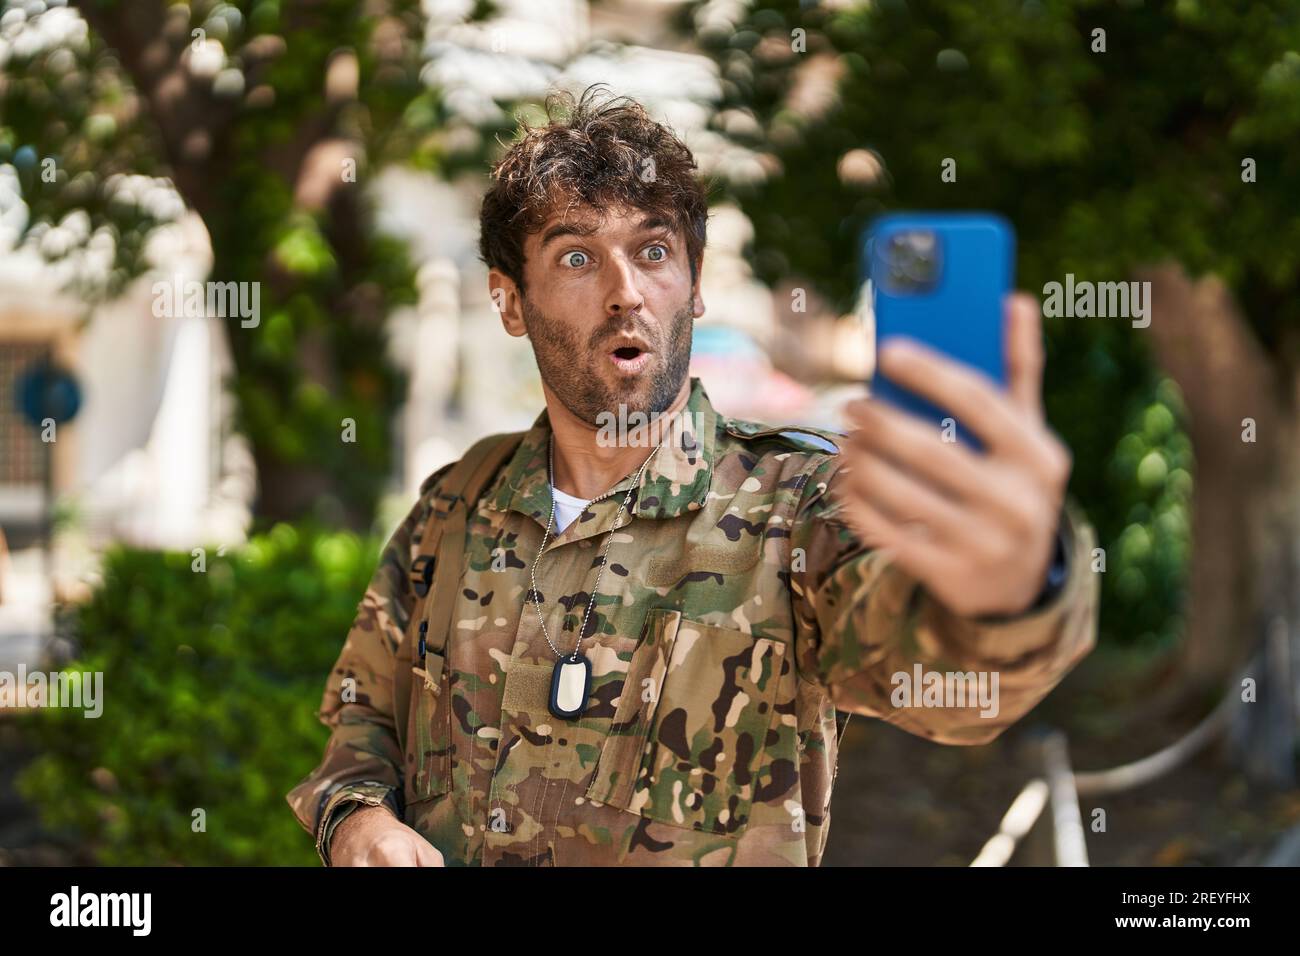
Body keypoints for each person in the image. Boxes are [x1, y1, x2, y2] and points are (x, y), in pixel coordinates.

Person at [286, 85, 1098, 866]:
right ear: (509, 301)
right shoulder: (455, 502)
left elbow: (949, 685)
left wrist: (1007, 591)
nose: (625, 291)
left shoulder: (797, 507)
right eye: (577, 256)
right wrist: (353, 821)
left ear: (695, 286)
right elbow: (363, 725)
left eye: (654, 250)